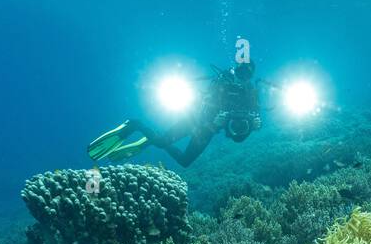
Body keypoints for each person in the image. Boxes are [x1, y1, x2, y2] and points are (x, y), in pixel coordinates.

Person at [88, 61, 262, 167]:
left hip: (207, 131)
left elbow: (237, 136)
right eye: (240, 71)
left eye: (247, 74)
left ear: (251, 76)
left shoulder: (251, 96)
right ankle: (135, 125)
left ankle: (151, 139)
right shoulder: (222, 82)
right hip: (193, 119)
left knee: (184, 162)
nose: (242, 77)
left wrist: (252, 128)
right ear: (235, 69)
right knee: (163, 142)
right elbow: (205, 100)